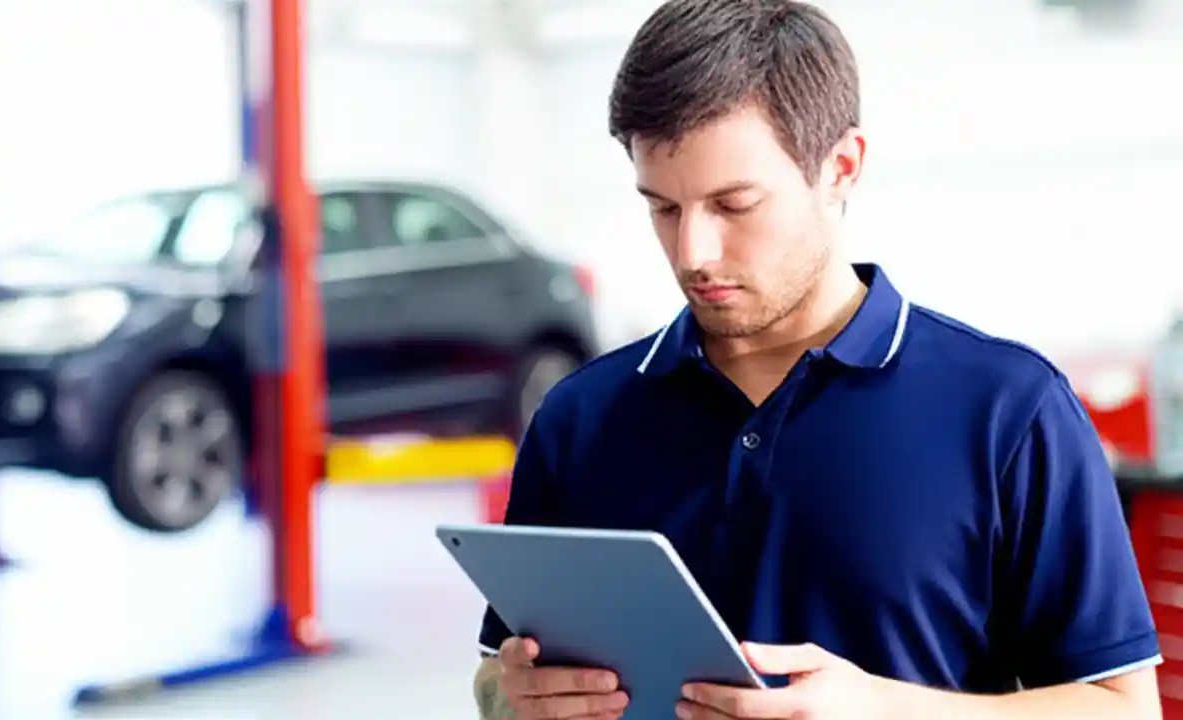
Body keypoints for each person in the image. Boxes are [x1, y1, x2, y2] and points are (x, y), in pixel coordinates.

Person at [471, 0, 1164, 718]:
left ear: (840, 167)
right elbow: (495, 677)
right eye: (664, 208)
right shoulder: (578, 420)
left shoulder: (1009, 412)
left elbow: (1122, 707)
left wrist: (887, 710)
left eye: (734, 205)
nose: (692, 254)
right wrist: (510, 700)